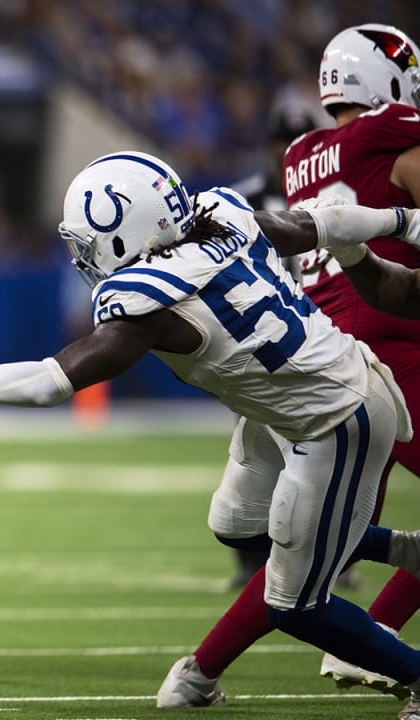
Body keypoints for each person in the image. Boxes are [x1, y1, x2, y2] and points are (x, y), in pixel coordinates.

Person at [0, 149, 420, 718]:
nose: (81, 256)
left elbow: (49, 382)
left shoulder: (148, 302)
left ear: (123, 234)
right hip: (293, 402)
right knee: (237, 527)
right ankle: (400, 547)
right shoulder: (221, 212)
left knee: (296, 606)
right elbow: (321, 221)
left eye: (87, 242)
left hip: (335, 417)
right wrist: (402, 222)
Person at [150, 23, 420, 706]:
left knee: (302, 560)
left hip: (326, 351)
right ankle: (390, 649)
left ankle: (198, 673)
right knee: (305, 555)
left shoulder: (304, 151)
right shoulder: (382, 133)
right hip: (392, 345)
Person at [225, 90, 328, 590]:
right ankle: (253, 563)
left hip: (327, 334)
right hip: (267, 341)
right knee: (258, 452)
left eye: (299, 139)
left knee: (324, 454)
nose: (290, 149)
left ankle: (330, 558)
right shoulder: (242, 199)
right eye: (284, 140)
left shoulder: (334, 193)